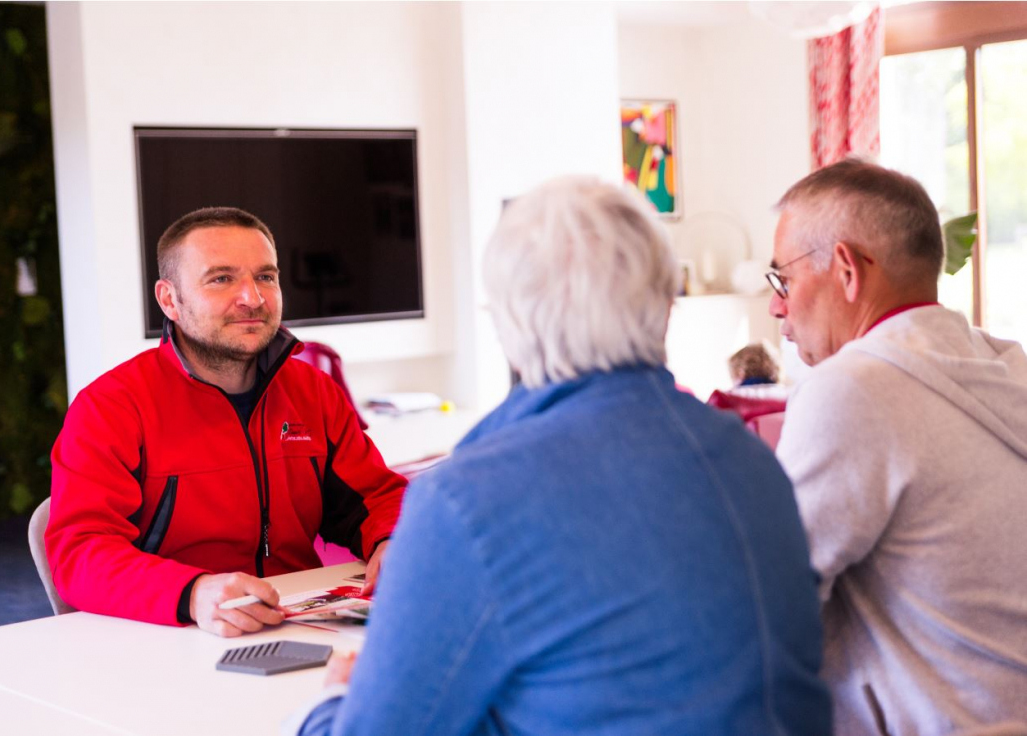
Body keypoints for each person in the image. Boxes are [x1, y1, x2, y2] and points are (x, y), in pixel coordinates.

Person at [284, 177, 831, 736]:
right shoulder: (749, 455)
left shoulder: (468, 500)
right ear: (667, 310)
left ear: (509, 324)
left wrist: (329, 704)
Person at [46, 207, 405, 636]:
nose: (252, 298)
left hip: (298, 626)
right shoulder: (111, 406)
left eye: (266, 277)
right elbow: (80, 553)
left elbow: (375, 497)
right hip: (168, 636)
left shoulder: (314, 392)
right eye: (221, 278)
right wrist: (193, 593)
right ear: (170, 300)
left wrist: (392, 541)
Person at [767, 159, 1027, 734]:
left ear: (846, 270)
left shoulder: (852, 390)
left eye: (783, 279)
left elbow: (773, 607)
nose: (776, 307)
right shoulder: (1005, 365)